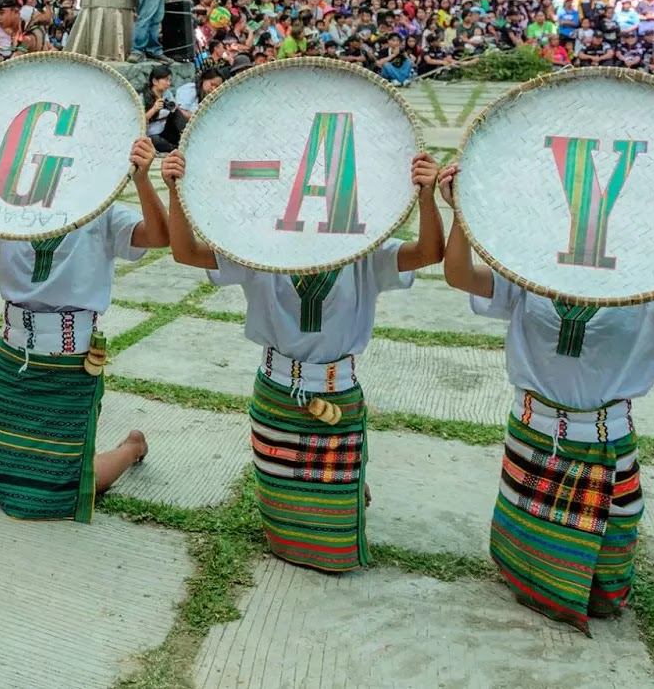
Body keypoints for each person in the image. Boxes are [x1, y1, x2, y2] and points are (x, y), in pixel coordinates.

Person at [439, 161, 654, 633]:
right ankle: (529, 576)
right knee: (526, 545)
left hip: (604, 439)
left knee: (605, 580)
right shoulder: (528, 264)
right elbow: (461, 277)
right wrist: (459, 213)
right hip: (532, 431)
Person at [161, 148, 444, 574]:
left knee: (336, 552)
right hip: (277, 397)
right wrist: (173, 188)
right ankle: (344, 488)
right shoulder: (258, 248)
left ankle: (351, 483)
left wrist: (427, 196)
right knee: (284, 527)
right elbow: (185, 252)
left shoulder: (364, 251)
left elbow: (428, 253)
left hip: (338, 397)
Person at [0, 134, 169, 522]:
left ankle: (131, 447)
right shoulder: (9, 208)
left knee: (60, 490)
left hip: (72, 359)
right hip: (15, 354)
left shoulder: (103, 212)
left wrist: (142, 179)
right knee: (6, 481)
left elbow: (160, 236)